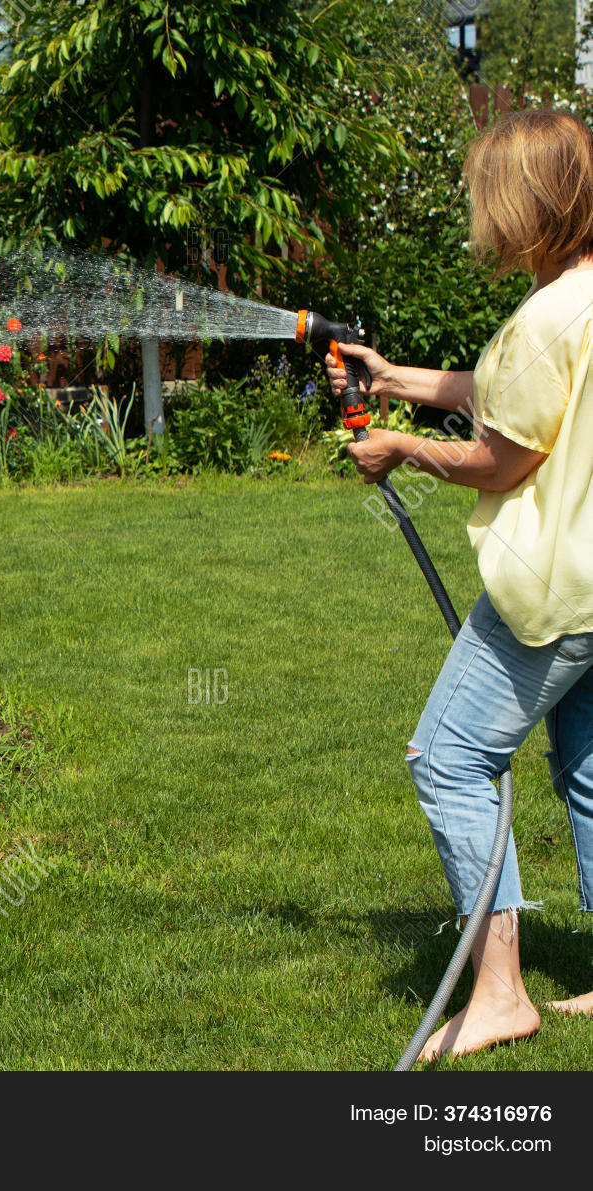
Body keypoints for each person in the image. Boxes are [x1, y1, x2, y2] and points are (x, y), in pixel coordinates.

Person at [327, 108, 593, 1063]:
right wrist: (398, 381)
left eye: (487, 198)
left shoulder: (543, 317)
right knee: (591, 772)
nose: (479, 217)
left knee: (447, 760)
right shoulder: (584, 298)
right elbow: (521, 402)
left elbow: (501, 459)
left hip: (549, 592)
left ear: (525, 203)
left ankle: (498, 993)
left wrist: (399, 449)